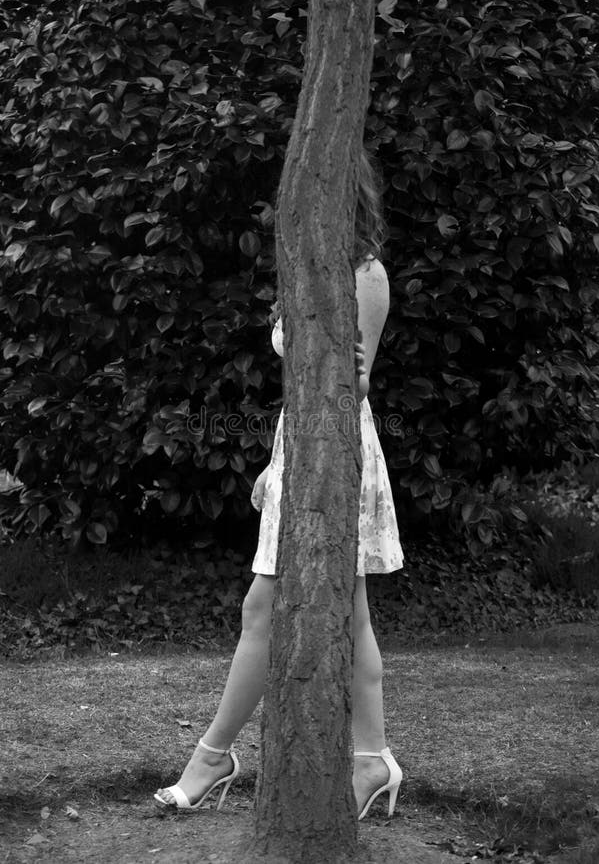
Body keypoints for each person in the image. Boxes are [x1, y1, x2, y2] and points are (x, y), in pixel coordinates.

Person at [154, 147, 405, 820]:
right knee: (332, 614)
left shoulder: (366, 274)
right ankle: (369, 760)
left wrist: (347, 374)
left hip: (336, 452)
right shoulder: (307, 271)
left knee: (279, 609)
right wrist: (276, 462)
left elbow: (352, 387)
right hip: (299, 445)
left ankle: (218, 757)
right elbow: (302, 381)